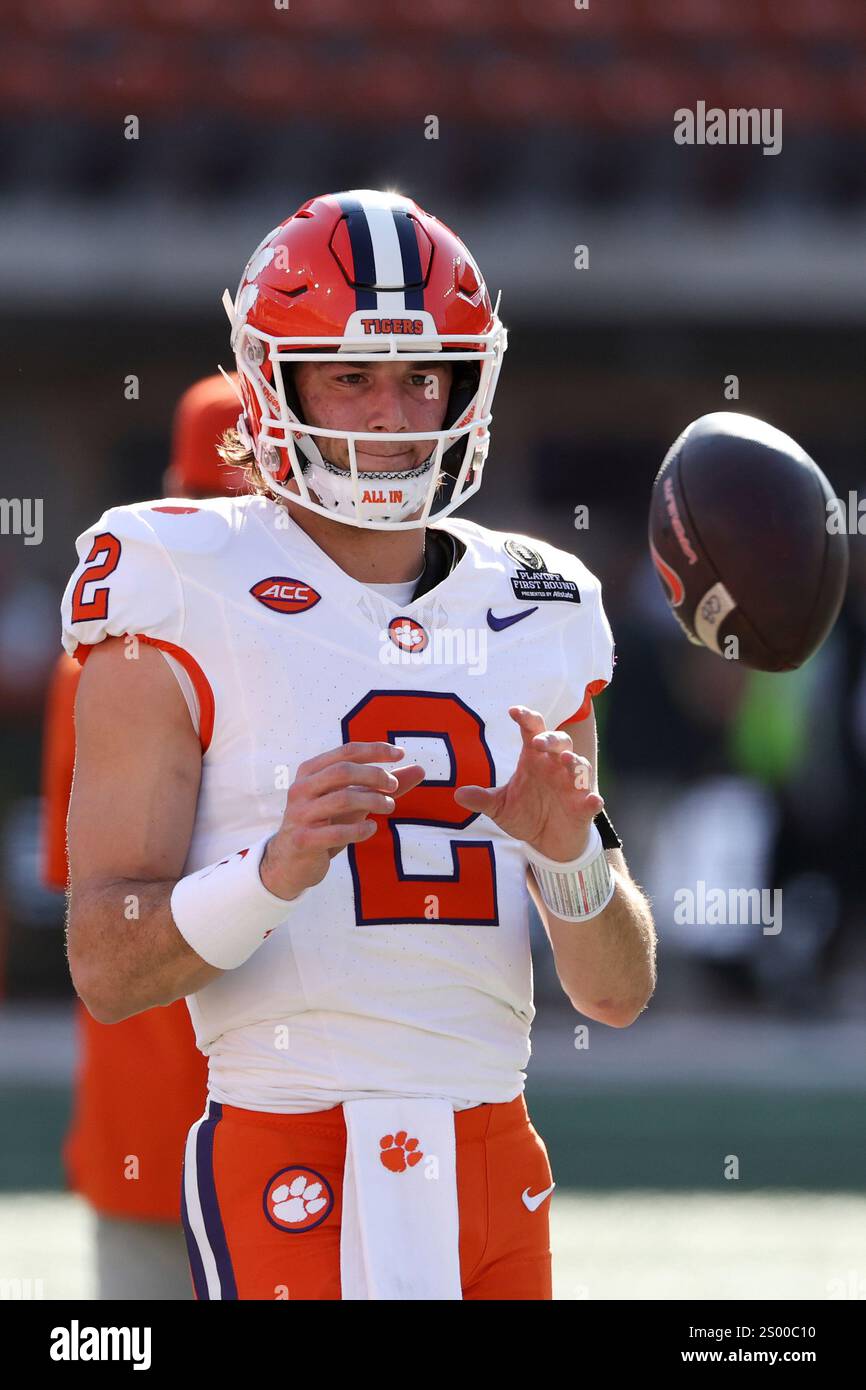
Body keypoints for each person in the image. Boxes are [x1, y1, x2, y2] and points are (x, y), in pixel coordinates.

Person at [61, 189, 656, 1300]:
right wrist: (271, 873)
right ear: (272, 378)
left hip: (494, 1144)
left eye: (422, 375)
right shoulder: (174, 575)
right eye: (350, 373)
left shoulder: (541, 600)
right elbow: (105, 963)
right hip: (291, 1139)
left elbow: (616, 991)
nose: (392, 414)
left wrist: (571, 863)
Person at [42, 373, 246, 1299]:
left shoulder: (88, 661)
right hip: (296, 1120)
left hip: (149, 1119)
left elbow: (77, 889)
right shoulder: (335, 647)